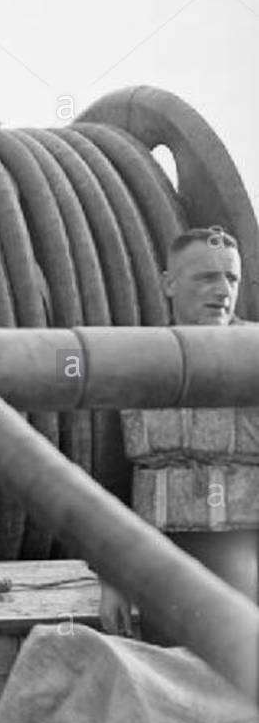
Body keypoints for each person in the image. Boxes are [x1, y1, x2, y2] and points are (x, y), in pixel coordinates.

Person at [101, 227, 256, 639]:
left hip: (247, 562)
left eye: (231, 278)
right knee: (174, 692)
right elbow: (112, 481)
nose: (222, 290)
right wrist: (113, 578)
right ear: (169, 284)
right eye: (205, 277)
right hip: (166, 569)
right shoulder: (135, 363)